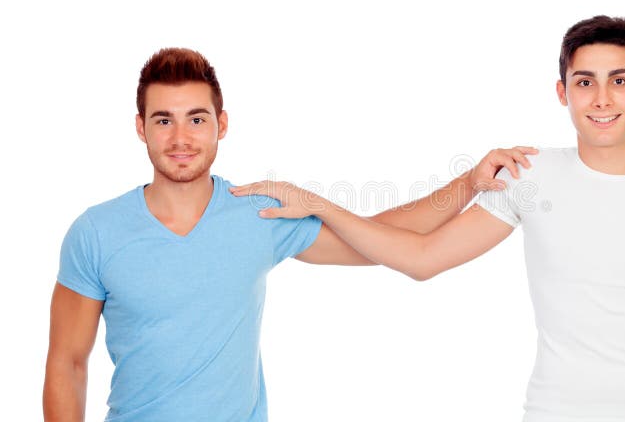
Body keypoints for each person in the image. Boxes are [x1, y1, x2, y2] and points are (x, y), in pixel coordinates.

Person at [237, 16, 625, 421]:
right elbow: (421, 258)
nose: (603, 98)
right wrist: (321, 205)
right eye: (585, 82)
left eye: (619, 81)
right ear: (563, 92)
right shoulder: (531, 175)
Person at [42, 47, 536, 422]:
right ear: (140, 127)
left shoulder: (255, 214)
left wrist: (470, 182)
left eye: (196, 119)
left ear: (222, 124)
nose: (180, 139)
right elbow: (67, 363)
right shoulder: (95, 233)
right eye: (163, 120)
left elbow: (381, 235)